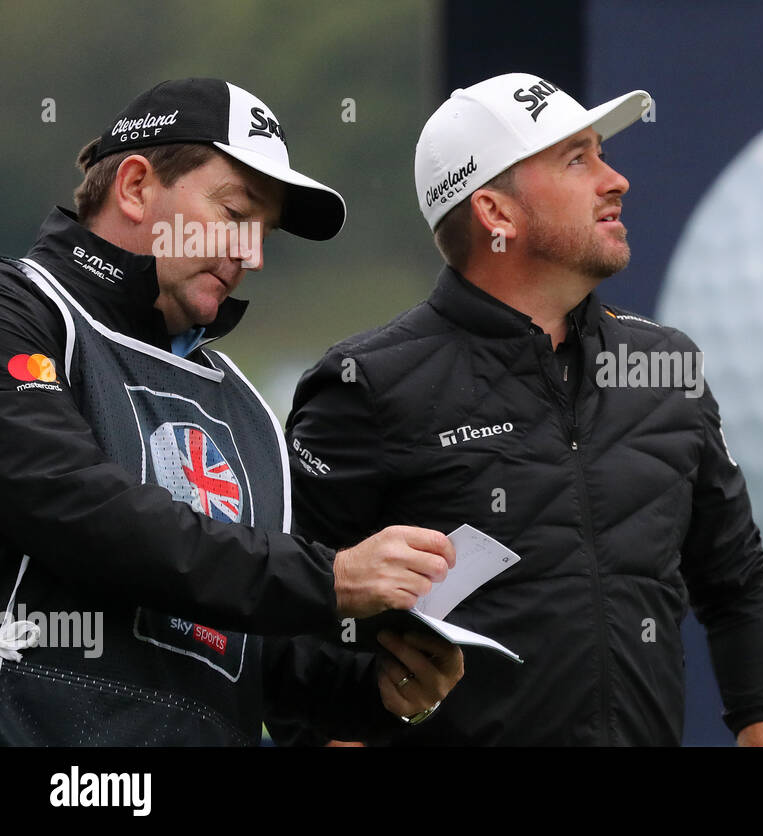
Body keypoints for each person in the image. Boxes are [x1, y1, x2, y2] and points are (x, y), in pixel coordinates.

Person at [284, 73, 763, 745]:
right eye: (577, 160)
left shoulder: (665, 365)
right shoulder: (363, 386)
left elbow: (738, 583)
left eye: (601, 154)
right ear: (497, 215)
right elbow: (304, 630)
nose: (615, 180)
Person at [0, 78, 460, 745]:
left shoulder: (246, 410)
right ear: (134, 186)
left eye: (264, 232)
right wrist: (328, 578)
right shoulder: (24, 310)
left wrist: (376, 690)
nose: (254, 256)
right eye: (236, 214)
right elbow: (73, 506)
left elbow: (251, 652)